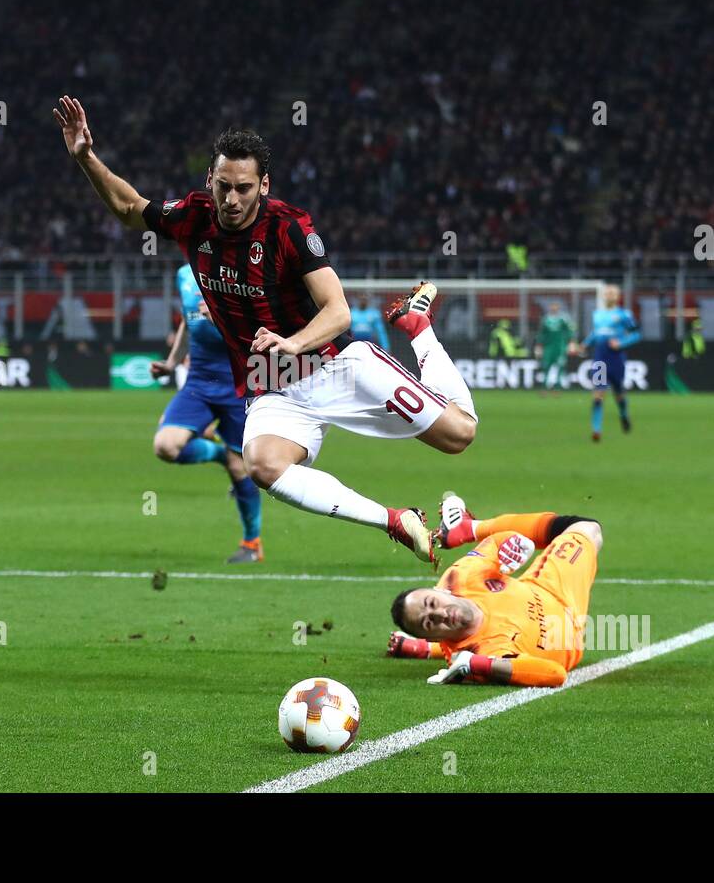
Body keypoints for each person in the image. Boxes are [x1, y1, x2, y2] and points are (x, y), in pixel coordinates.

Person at [54, 96, 477, 564]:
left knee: (458, 435)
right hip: (270, 384)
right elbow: (129, 207)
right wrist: (86, 158)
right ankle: (395, 521)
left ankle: (418, 327)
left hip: (338, 367)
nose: (231, 200)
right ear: (209, 181)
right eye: (223, 186)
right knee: (261, 464)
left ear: (264, 185)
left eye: (243, 188)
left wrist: (291, 342)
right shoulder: (193, 217)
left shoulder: (289, 228)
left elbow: (338, 311)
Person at [387, 494, 602, 686]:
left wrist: (512, 542)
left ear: (440, 591)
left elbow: (495, 542)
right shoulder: (477, 654)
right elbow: (555, 674)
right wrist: (477, 665)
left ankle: (467, 528)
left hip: (549, 587)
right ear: (433, 637)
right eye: (429, 623)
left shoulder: (459, 577)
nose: (441, 613)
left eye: (432, 603)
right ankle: (424, 649)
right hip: (568, 639)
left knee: (588, 529)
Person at [150, 264, 264, 563]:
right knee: (165, 445)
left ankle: (251, 545)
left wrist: (221, 320)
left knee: (243, 469)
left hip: (237, 382)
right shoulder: (183, 275)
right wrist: (173, 362)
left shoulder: (239, 270)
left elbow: (261, 329)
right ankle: (219, 454)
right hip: (198, 381)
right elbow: (189, 322)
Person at [575, 284, 639, 441]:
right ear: (603, 296)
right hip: (600, 358)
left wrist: (621, 343)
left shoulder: (624, 315)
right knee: (598, 395)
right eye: (607, 293)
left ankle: (624, 415)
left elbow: (636, 334)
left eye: (613, 293)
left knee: (619, 394)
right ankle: (596, 430)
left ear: (617, 297)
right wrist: (584, 344)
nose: (609, 295)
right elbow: (596, 334)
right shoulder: (597, 314)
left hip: (616, 358)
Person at [536, 301, 576, 393]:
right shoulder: (545, 319)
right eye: (552, 306)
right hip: (548, 348)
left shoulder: (563, 319)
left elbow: (569, 332)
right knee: (546, 367)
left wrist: (571, 343)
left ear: (558, 307)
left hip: (560, 347)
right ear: (550, 307)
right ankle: (544, 388)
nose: (554, 307)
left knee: (560, 367)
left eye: (555, 306)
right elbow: (541, 334)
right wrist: (539, 346)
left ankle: (557, 388)